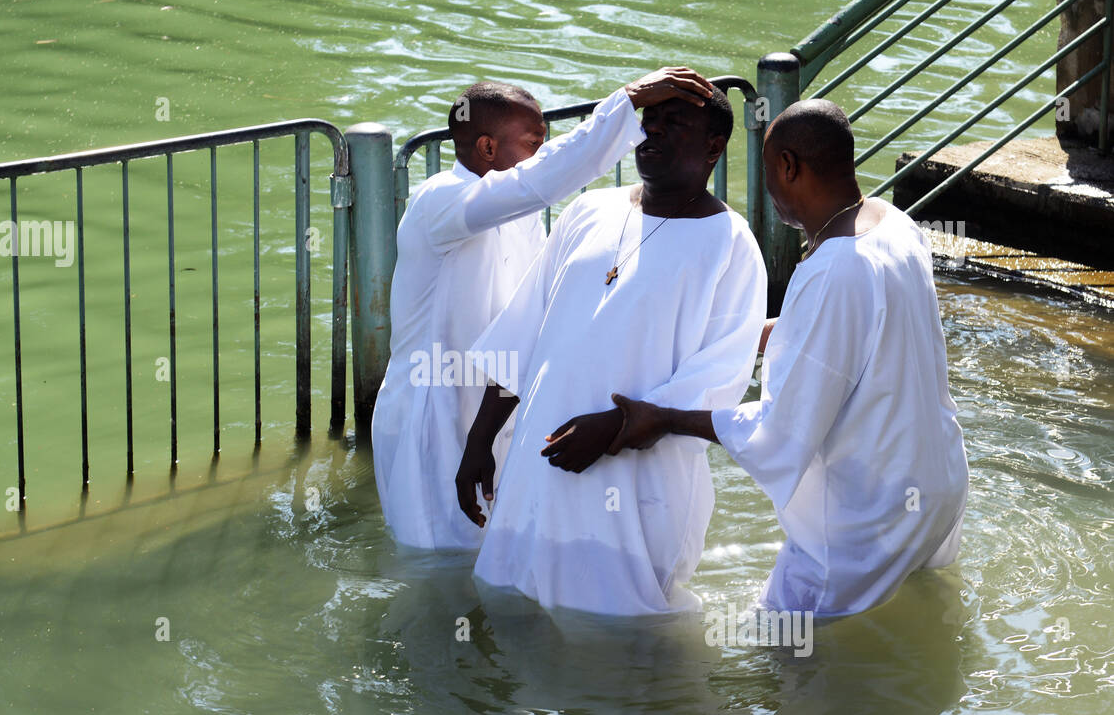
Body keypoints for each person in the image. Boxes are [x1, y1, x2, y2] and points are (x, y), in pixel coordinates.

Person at [607, 99, 969, 619]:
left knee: (786, 649)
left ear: (788, 166)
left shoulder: (831, 268)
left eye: (767, 172)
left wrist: (663, 418)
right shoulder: (894, 225)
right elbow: (855, 336)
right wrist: (737, 337)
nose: (767, 188)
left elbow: (781, 432)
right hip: (938, 487)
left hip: (867, 516)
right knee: (916, 624)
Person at [373, 67, 716, 550]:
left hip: (493, 409)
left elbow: (529, 317)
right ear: (488, 149)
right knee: (434, 563)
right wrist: (626, 100)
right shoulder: (441, 202)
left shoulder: (520, 212)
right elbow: (539, 182)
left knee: (495, 554)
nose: (541, 156)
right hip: (429, 414)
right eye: (533, 143)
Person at [454, 86, 767, 616]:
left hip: (635, 485)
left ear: (713, 149)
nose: (652, 130)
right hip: (537, 469)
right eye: (649, 118)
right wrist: (479, 441)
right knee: (513, 617)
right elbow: (522, 332)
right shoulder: (588, 210)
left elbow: (718, 377)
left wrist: (616, 426)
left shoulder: (731, 245)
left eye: (674, 123)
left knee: (621, 644)